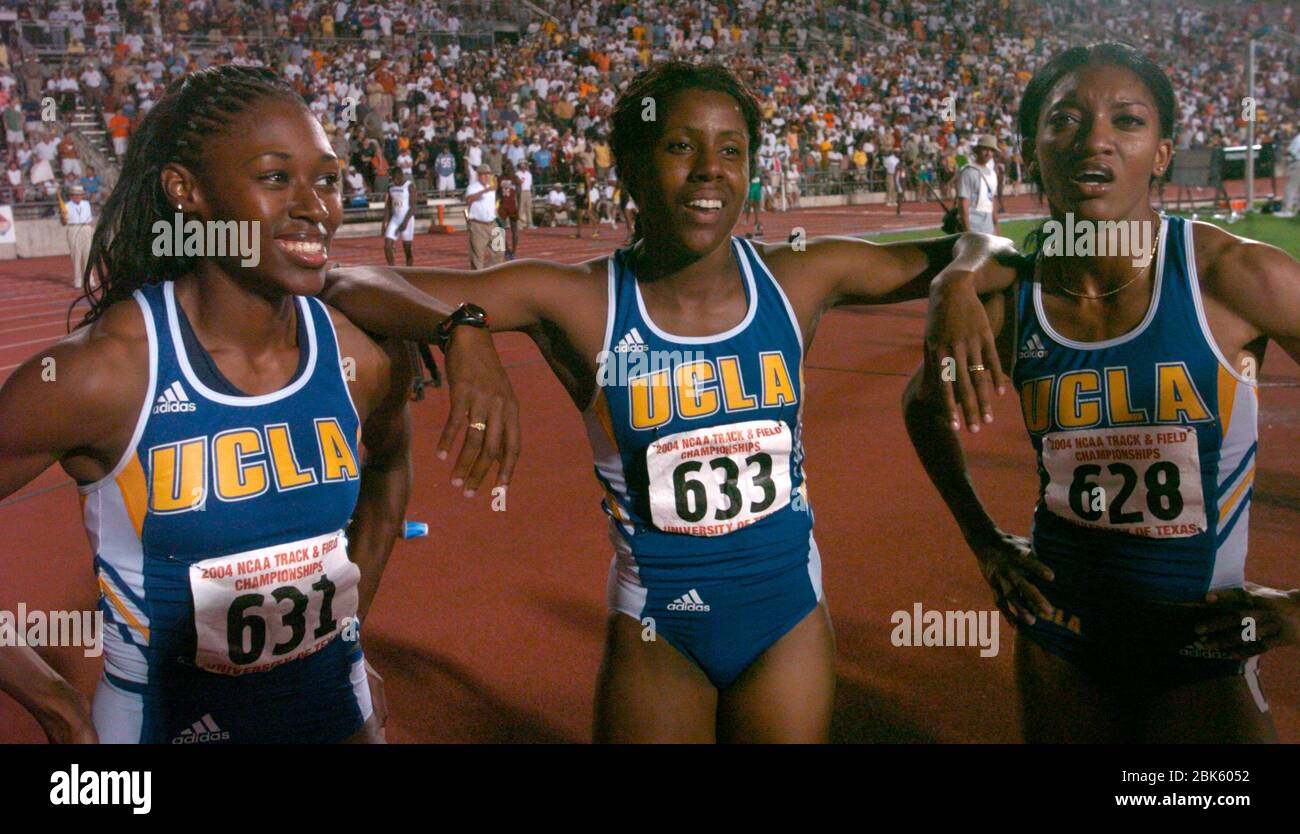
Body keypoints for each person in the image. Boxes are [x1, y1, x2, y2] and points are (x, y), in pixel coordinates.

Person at [321, 61, 1013, 743]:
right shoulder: (582, 300)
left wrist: (955, 283)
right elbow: (346, 277)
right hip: (659, 629)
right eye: (681, 146)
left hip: (788, 619)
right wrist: (461, 329)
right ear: (629, 167)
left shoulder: (798, 277)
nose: (711, 169)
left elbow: (993, 246)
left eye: (732, 151)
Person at [0, 65, 519, 745]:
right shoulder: (98, 375)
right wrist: (57, 704)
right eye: (276, 178)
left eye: (328, 179)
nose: (316, 206)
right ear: (188, 192)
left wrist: (349, 632)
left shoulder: (357, 360)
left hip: (335, 709)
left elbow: (389, 469)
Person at [906, 43, 1300, 743]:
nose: (1095, 140)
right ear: (1033, 152)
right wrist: (984, 539)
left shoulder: (1235, 278)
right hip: (1061, 640)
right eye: (1064, 120)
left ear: (1162, 152)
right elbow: (922, 406)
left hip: (1200, 646)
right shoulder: (1010, 302)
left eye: (1127, 120)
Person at [957, 135, 1000, 234]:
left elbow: (992, 200)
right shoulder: (968, 172)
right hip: (973, 228)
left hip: (988, 228)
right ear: (977, 150)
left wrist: (996, 226)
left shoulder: (992, 173)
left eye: (991, 150)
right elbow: (963, 203)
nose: (988, 153)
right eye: (985, 149)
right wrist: (967, 230)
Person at [465, 163, 500, 270]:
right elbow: (469, 199)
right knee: (477, 257)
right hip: (478, 226)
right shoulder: (472, 187)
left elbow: (494, 202)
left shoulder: (492, 186)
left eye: (488, 174)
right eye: (483, 174)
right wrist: (486, 190)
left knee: (500, 252)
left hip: (493, 223)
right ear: (478, 175)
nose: (486, 176)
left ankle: (488, 274)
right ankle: (477, 280)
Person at [63, 184, 94, 289]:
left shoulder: (86, 204)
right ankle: (78, 280)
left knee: (88, 254)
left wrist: (90, 228)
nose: (77, 197)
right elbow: (63, 222)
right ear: (71, 196)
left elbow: (90, 218)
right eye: (75, 195)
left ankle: (89, 279)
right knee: (76, 255)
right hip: (73, 228)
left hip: (86, 227)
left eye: (79, 195)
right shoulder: (66, 206)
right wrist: (62, 217)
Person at [383, 167, 415, 266]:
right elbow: (388, 205)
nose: (394, 181)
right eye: (392, 178)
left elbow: (413, 207)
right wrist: (385, 222)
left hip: (407, 220)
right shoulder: (391, 187)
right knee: (387, 246)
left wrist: (405, 222)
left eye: (395, 178)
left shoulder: (409, 186)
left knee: (407, 249)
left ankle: (409, 270)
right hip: (395, 219)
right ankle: (393, 269)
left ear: (401, 175)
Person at [497, 161, 520, 259]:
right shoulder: (502, 178)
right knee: (503, 229)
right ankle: (509, 250)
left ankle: (512, 251)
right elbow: (497, 193)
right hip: (506, 206)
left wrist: (519, 205)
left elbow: (519, 192)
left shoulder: (513, 178)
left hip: (509, 206)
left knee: (512, 229)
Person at [1279, 125, 1300, 218]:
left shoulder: (1298, 138)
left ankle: (1286, 210)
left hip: (1297, 163)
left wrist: (1284, 150)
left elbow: (1291, 151)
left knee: (1290, 187)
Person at [516, 160, 533, 229]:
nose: (523, 166)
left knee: (528, 207)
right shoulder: (517, 174)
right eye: (521, 165)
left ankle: (530, 224)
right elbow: (516, 184)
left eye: (524, 165)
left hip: (528, 191)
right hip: (521, 191)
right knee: (520, 208)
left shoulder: (529, 174)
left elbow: (530, 184)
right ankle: (519, 224)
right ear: (519, 166)